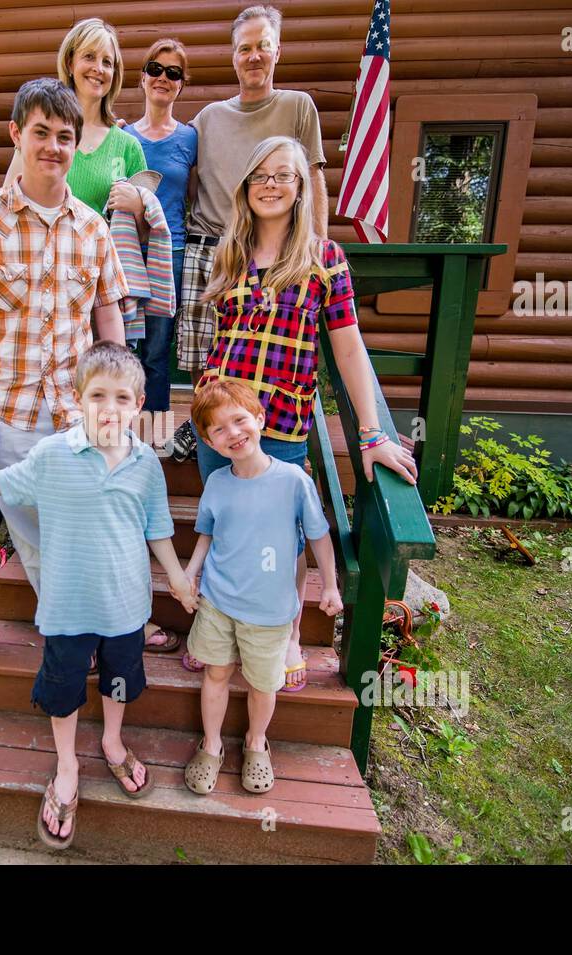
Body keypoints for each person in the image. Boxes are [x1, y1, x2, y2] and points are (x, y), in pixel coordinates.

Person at [0, 342, 198, 849]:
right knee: (64, 688)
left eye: (122, 397)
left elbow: (158, 528)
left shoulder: (147, 463)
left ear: (138, 405)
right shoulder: (53, 454)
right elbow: (1, 481)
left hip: (126, 607)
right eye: (97, 395)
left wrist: (177, 577)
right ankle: (65, 766)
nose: (109, 407)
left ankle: (112, 741)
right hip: (66, 609)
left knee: (119, 681)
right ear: (78, 397)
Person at [184, 135, 419, 689]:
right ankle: (218, 624)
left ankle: (286, 628)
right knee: (224, 526)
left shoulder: (324, 258)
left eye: (283, 175)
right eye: (260, 175)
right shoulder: (229, 252)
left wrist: (370, 433)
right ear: (246, 187)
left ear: (301, 187)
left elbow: (348, 346)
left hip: (282, 423)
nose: (271, 185)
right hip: (220, 421)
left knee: (283, 537)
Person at [0, 78, 128, 595]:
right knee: (38, 539)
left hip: (78, 413)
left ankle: (112, 617)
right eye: (41, 132)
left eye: (65, 136)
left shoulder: (94, 229)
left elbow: (108, 318)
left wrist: (117, 399)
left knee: (93, 522)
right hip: (8, 416)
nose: (53, 146)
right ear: (16, 134)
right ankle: (70, 632)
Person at [168, 4, 328, 462]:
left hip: (276, 251)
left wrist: (315, 243)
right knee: (209, 353)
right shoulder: (209, 117)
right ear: (233, 56)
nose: (254, 56)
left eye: (263, 46)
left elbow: (313, 176)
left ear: (277, 51)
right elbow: (176, 157)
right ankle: (202, 424)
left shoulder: (297, 106)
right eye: (245, 48)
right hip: (211, 246)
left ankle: (260, 431)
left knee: (267, 348)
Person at [181, 378, 340, 795]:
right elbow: (207, 535)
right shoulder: (217, 484)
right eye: (219, 429)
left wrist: (329, 585)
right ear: (211, 443)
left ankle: (255, 742)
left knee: (262, 683)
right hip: (218, 602)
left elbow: (318, 535)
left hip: (270, 611)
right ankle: (212, 745)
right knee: (216, 673)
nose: (232, 433)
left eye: (239, 421)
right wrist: (190, 573)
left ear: (260, 420)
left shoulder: (292, 481)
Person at [121, 38, 198, 418]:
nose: (162, 78)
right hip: (127, 251)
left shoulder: (189, 137)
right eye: (155, 69)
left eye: (173, 73)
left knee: (156, 347)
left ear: (181, 83)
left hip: (171, 253)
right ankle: (120, 429)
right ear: (142, 77)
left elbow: (194, 196)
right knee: (122, 341)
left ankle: (154, 433)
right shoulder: (122, 136)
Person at [6, 19, 147, 220]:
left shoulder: (128, 146)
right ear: (70, 63)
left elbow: (144, 233)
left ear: (114, 74)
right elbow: (7, 202)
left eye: (107, 62)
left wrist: (139, 208)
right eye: (89, 57)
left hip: (103, 249)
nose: (98, 68)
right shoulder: (44, 135)